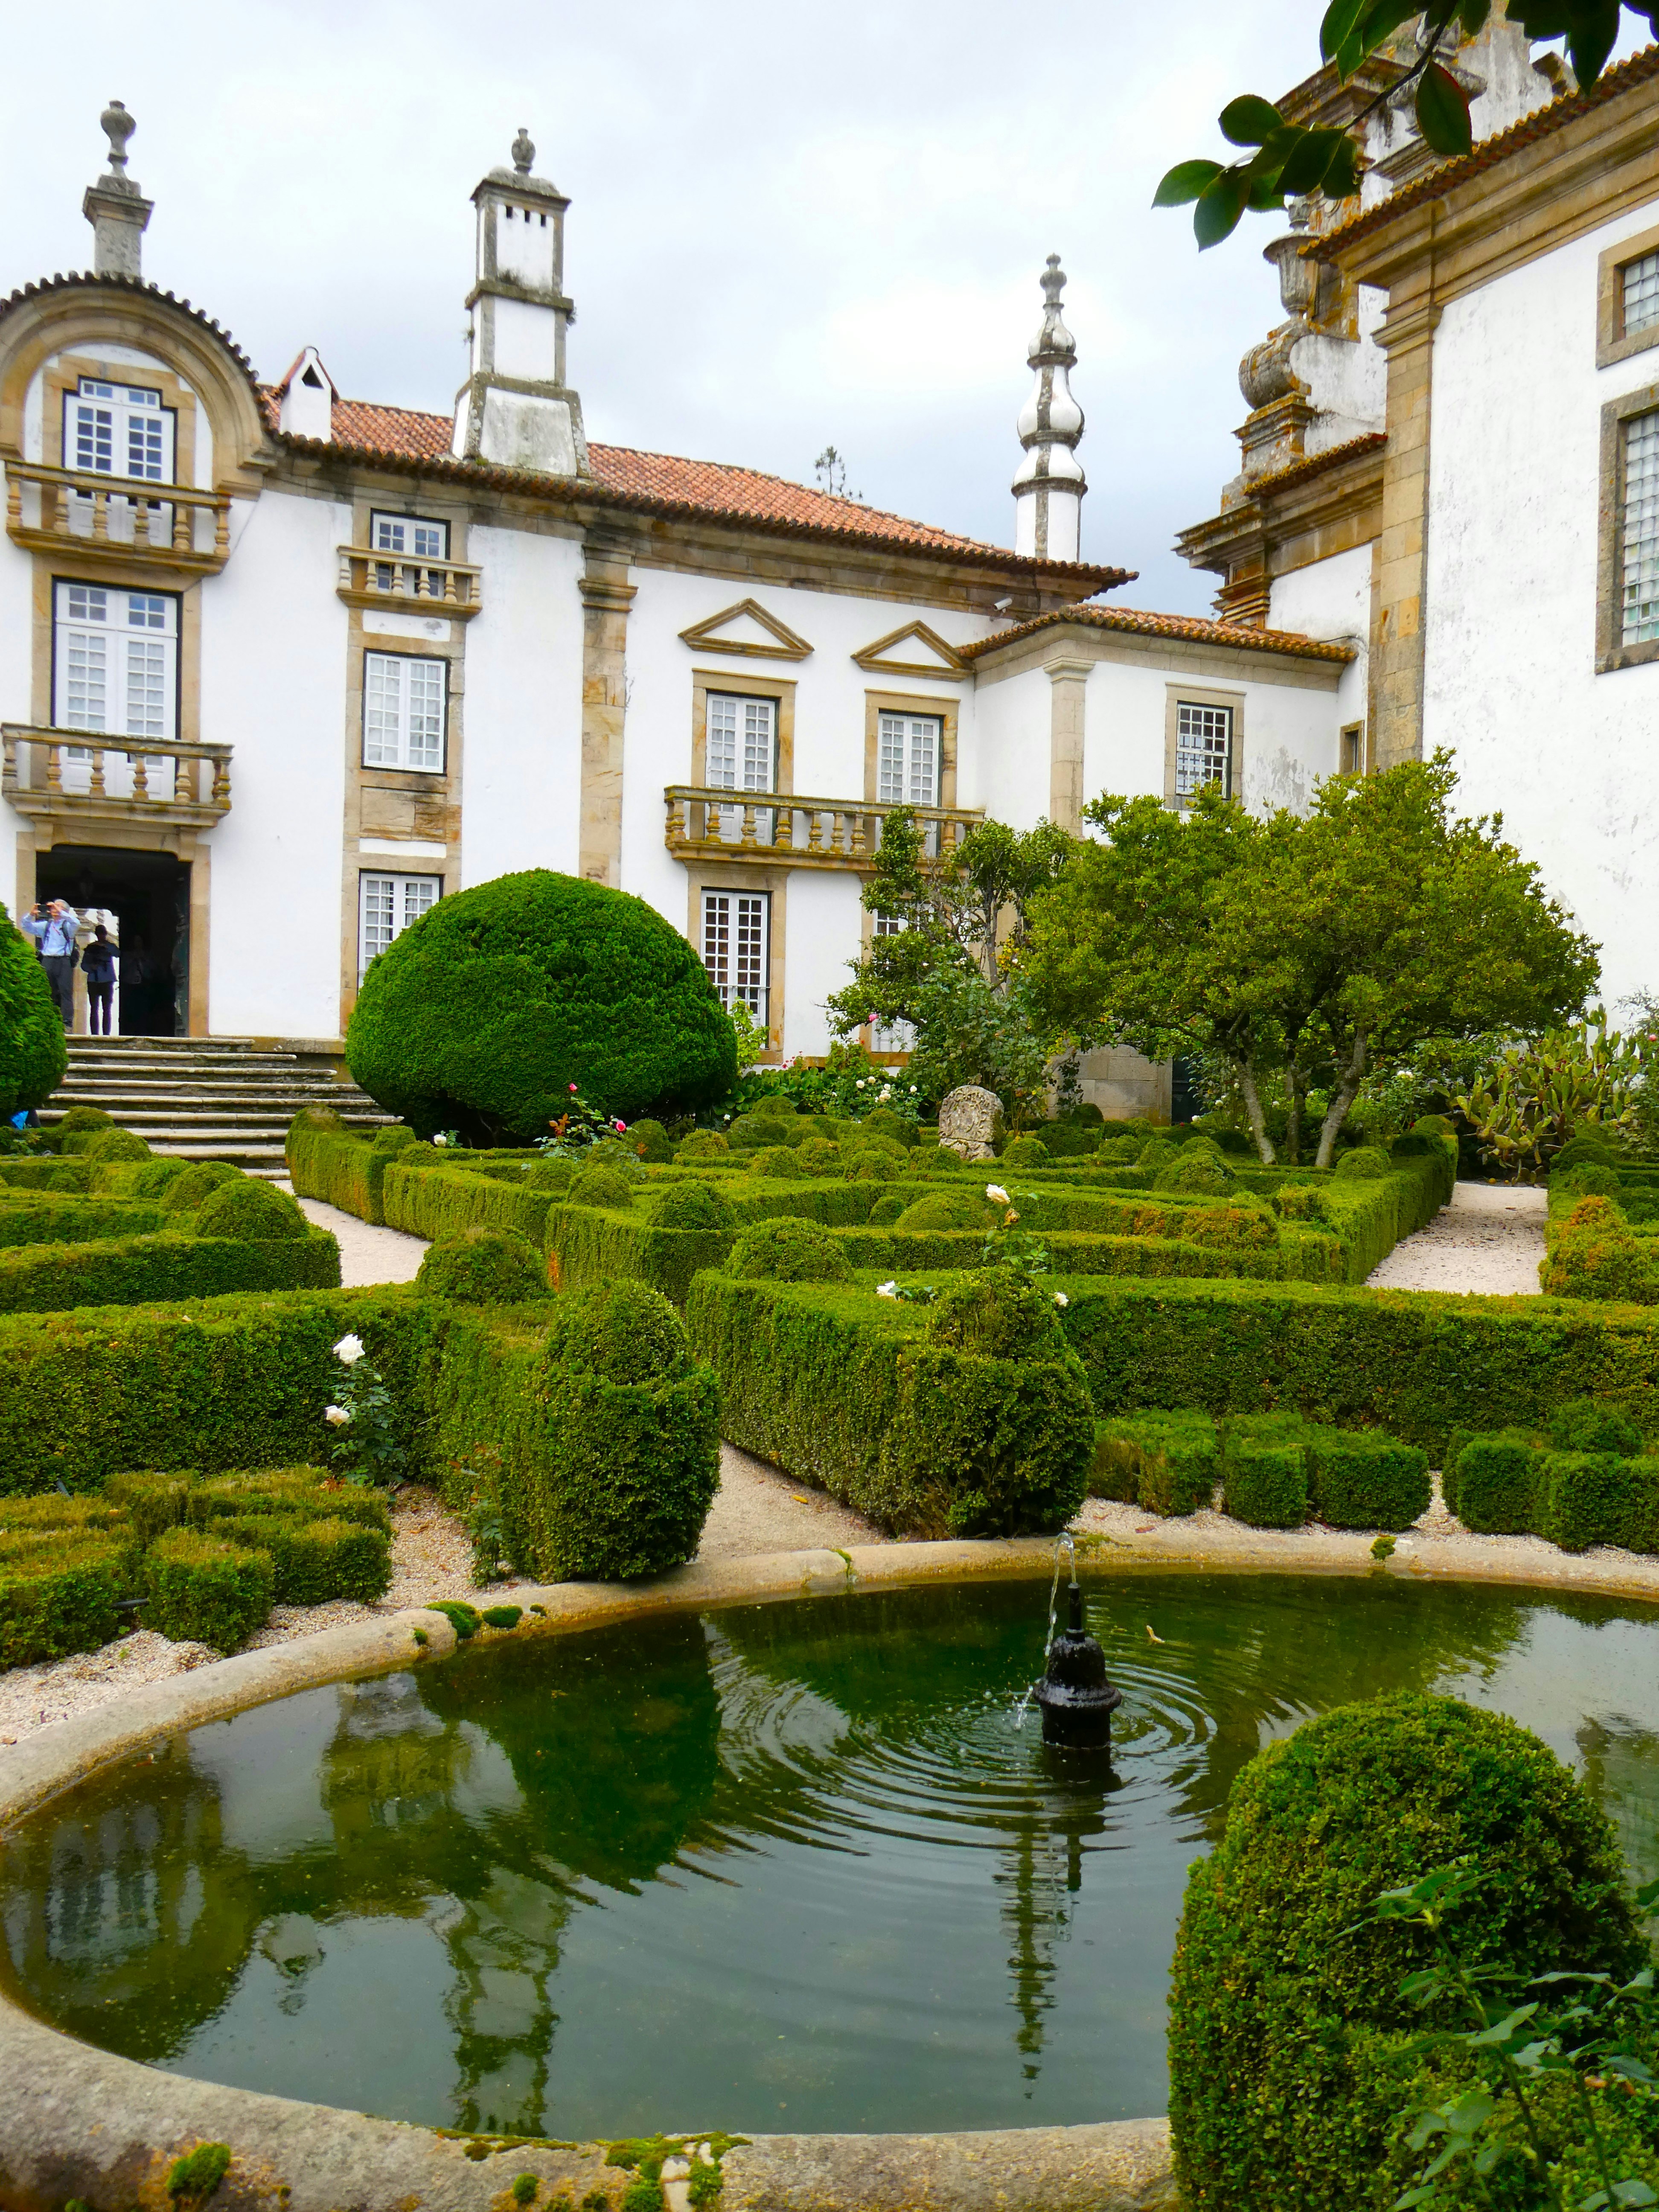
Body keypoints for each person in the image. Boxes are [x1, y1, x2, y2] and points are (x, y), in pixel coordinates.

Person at [21, 899, 78, 1029]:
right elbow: (26, 926)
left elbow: (76, 923)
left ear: (65, 911)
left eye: (58, 907)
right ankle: (48, 1022)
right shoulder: (46, 926)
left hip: (63, 961)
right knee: (47, 991)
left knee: (65, 992)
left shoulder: (68, 927)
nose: (54, 908)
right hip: (47, 960)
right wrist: (31, 915)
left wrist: (62, 914)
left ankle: (67, 1024)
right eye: (53, 906)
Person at [80, 924, 119, 1036]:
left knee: (107, 1009)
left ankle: (107, 1034)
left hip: (107, 980)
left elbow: (118, 953)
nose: (102, 936)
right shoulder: (91, 948)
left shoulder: (109, 947)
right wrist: (92, 967)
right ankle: (95, 1034)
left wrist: (106, 947)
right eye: (100, 934)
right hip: (94, 980)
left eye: (103, 934)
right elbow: (84, 965)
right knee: (94, 1009)